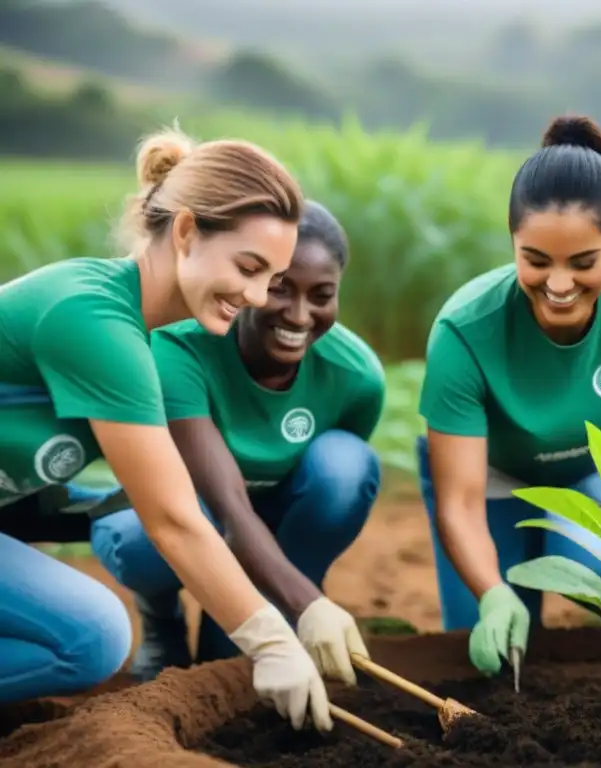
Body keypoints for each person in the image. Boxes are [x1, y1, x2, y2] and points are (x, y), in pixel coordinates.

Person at [0, 125, 341, 733]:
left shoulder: (135, 330)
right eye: (249, 266)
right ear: (185, 231)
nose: (260, 296)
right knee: (94, 635)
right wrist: (270, 640)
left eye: (272, 276)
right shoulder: (92, 319)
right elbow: (173, 519)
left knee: (84, 639)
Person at [416, 114, 601, 680]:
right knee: (492, 658)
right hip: (490, 475)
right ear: (511, 242)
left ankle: (589, 559)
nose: (559, 285)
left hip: (596, 468)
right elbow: (459, 500)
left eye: (583, 263)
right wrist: (491, 593)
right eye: (535, 261)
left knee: (600, 579)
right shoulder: (465, 328)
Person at [91, 200, 384, 686]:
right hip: (186, 512)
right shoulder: (181, 346)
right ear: (250, 281)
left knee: (347, 468)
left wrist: (299, 598)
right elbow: (225, 509)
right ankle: (161, 616)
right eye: (279, 288)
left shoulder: (356, 377)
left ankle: (282, 595)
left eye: (322, 295)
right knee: (141, 539)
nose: (299, 314)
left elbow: (329, 495)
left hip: (264, 520)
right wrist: (310, 606)